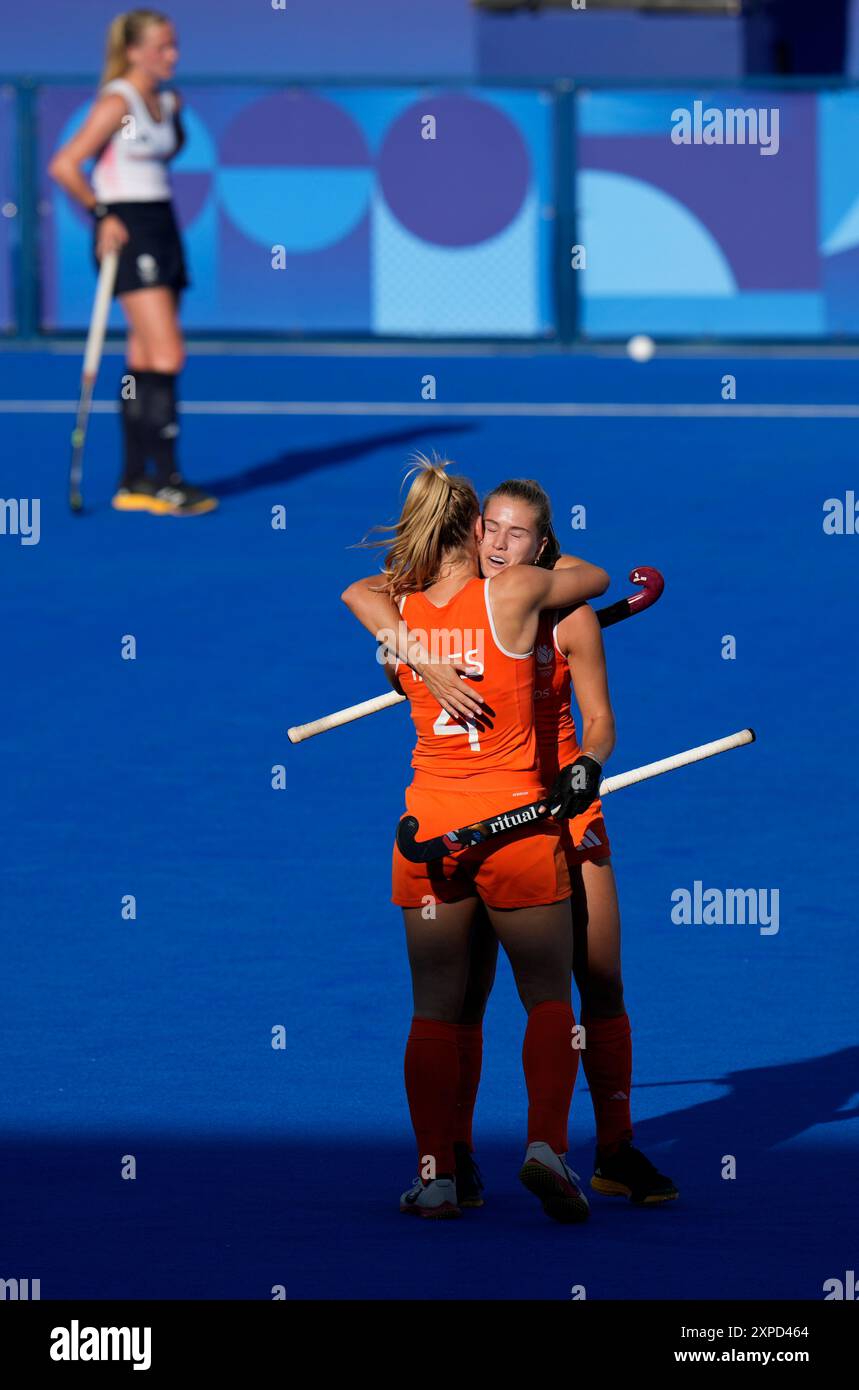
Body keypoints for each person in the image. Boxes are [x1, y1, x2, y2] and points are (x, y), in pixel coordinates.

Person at [346, 476, 678, 1209]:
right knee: (471, 997)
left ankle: (612, 1147)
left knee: (598, 978)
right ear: (471, 533)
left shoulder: (562, 615)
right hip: (501, 817)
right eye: (488, 529)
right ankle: (462, 1157)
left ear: (541, 545)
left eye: (516, 535)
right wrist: (413, 661)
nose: (497, 544)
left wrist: (589, 766)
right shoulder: (482, 603)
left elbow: (598, 723)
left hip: (564, 810)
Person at [48, 9, 217, 516]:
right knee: (168, 355)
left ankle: (134, 480)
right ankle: (165, 478)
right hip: (129, 229)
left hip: (162, 223)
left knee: (145, 357)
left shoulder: (165, 100)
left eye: (174, 44)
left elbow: (159, 154)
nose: (173, 55)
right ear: (134, 51)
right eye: (163, 46)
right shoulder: (117, 100)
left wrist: (176, 115)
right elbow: (64, 165)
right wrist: (102, 214)